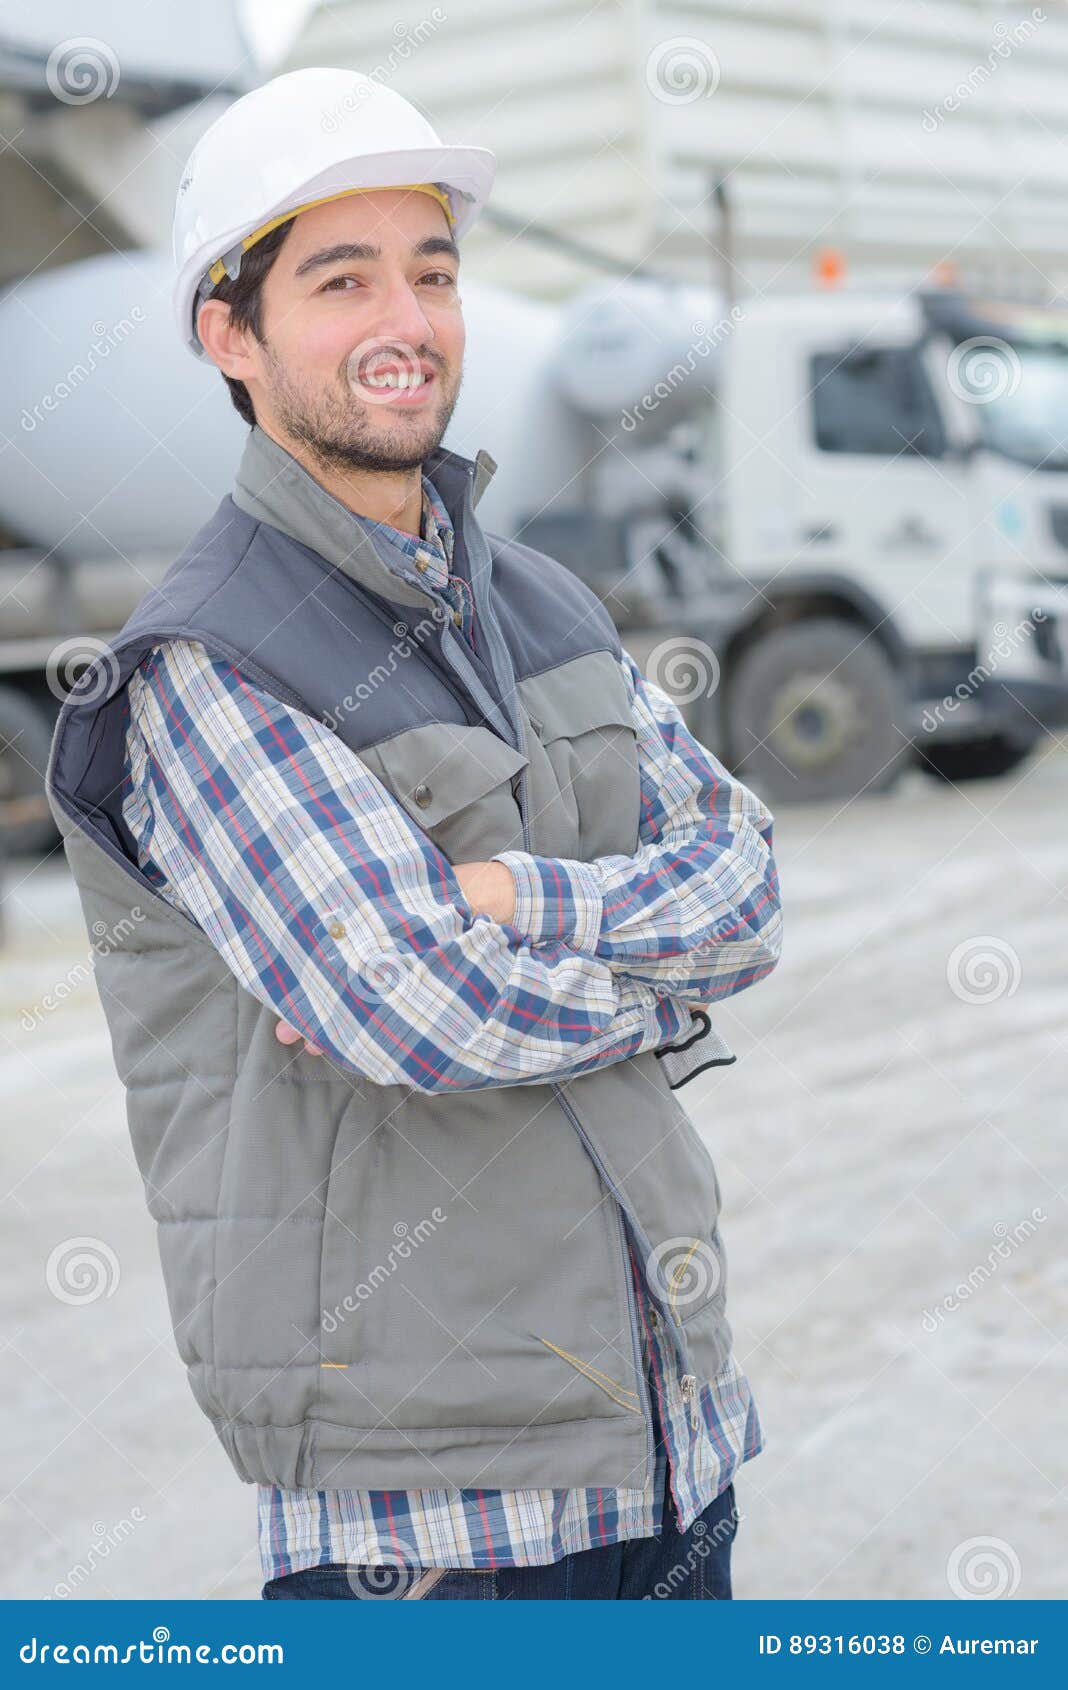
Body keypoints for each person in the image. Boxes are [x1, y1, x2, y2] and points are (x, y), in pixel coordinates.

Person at [45, 67, 782, 1601]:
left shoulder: (547, 603)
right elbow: (417, 1005)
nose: (410, 319)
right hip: (432, 1516)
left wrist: (519, 895)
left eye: (432, 272)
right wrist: (665, 980)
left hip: (672, 1432)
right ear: (228, 334)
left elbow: (748, 876)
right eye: (342, 278)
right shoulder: (213, 659)